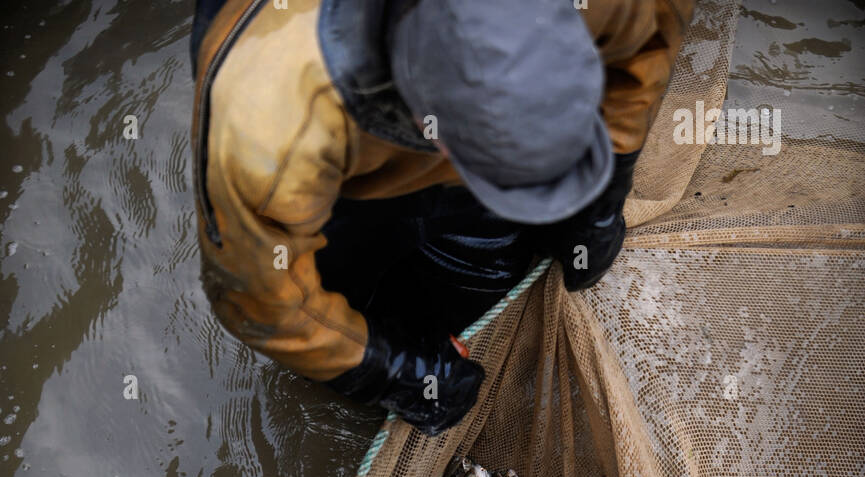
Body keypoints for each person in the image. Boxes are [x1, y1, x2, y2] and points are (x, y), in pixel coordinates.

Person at [191, 0, 693, 435]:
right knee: (335, 321)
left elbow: (648, 49)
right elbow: (262, 300)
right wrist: (396, 374)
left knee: (477, 292)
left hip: (463, 139)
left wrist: (602, 198)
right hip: (338, 171)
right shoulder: (266, 123)